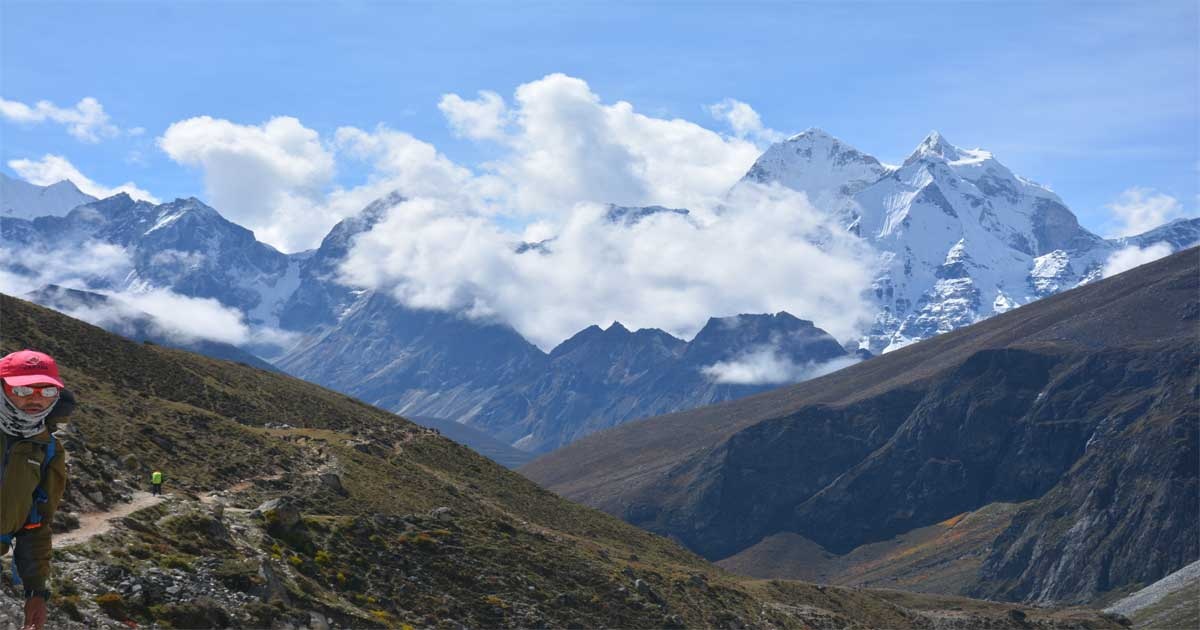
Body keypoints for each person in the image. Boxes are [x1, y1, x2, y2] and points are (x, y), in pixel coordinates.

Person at [0, 350, 70, 630]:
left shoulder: (48, 449)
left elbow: (36, 524)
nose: (36, 397)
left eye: (47, 390)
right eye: (23, 388)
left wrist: (36, 591)